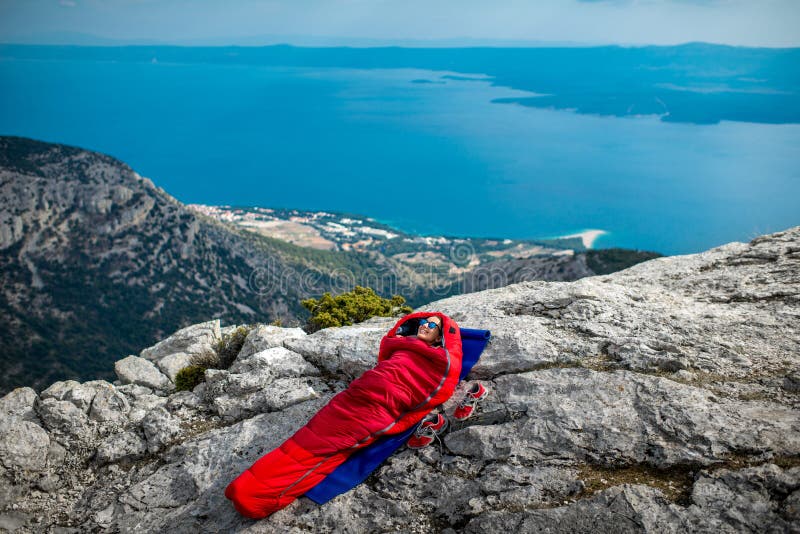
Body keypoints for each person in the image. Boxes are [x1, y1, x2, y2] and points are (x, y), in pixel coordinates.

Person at [225, 312, 463, 519]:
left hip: (375, 409)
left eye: (432, 326)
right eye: (423, 322)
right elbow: (385, 365)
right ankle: (245, 488)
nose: (424, 326)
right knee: (308, 440)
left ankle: (252, 497)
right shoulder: (402, 346)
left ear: (441, 337)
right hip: (354, 398)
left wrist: (400, 419)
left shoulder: (438, 362)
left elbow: (430, 394)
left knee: (322, 450)